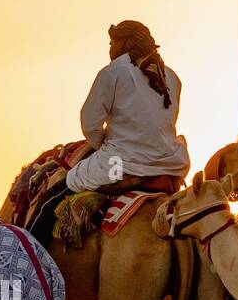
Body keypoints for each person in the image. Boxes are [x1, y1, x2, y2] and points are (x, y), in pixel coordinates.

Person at [65, 20, 190, 194]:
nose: (110, 48)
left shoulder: (112, 72)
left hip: (119, 164)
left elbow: (90, 124)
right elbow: (167, 121)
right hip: (169, 165)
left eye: (112, 43)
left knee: (69, 182)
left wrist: (104, 143)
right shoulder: (172, 76)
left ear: (122, 43)